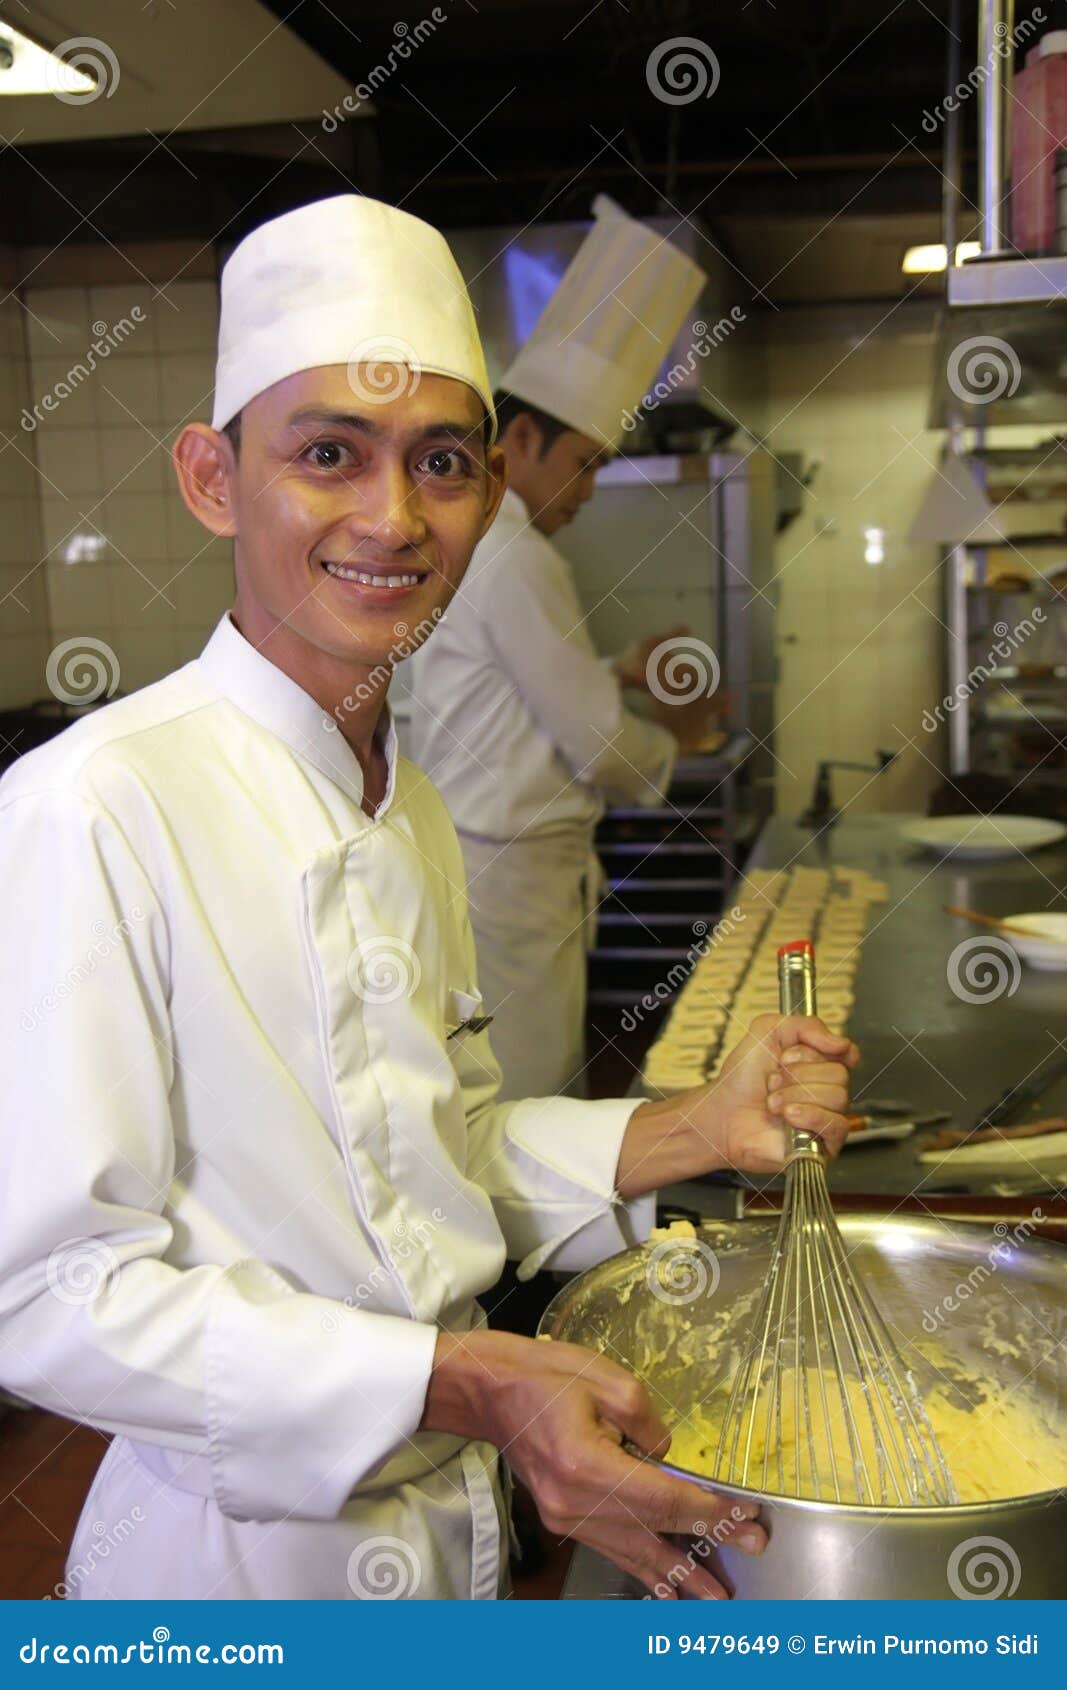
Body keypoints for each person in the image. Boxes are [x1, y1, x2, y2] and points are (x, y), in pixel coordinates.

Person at [0, 194, 857, 1602]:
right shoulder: (94, 805)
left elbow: (428, 1157)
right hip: (234, 1572)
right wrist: (462, 1383)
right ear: (213, 478)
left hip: (448, 1545)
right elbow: (46, 1299)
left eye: (440, 462)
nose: (393, 519)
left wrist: (689, 1126)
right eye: (326, 453)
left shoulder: (408, 804)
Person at [409, 198, 719, 1102]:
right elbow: (602, 749)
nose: (588, 490)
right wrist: (680, 744)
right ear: (516, 442)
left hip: (496, 871)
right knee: (525, 1108)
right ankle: (536, 1255)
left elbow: (518, 692)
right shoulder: (513, 551)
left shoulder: (489, 544)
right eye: (581, 462)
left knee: (510, 1097)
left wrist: (613, 675)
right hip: (506, 885)